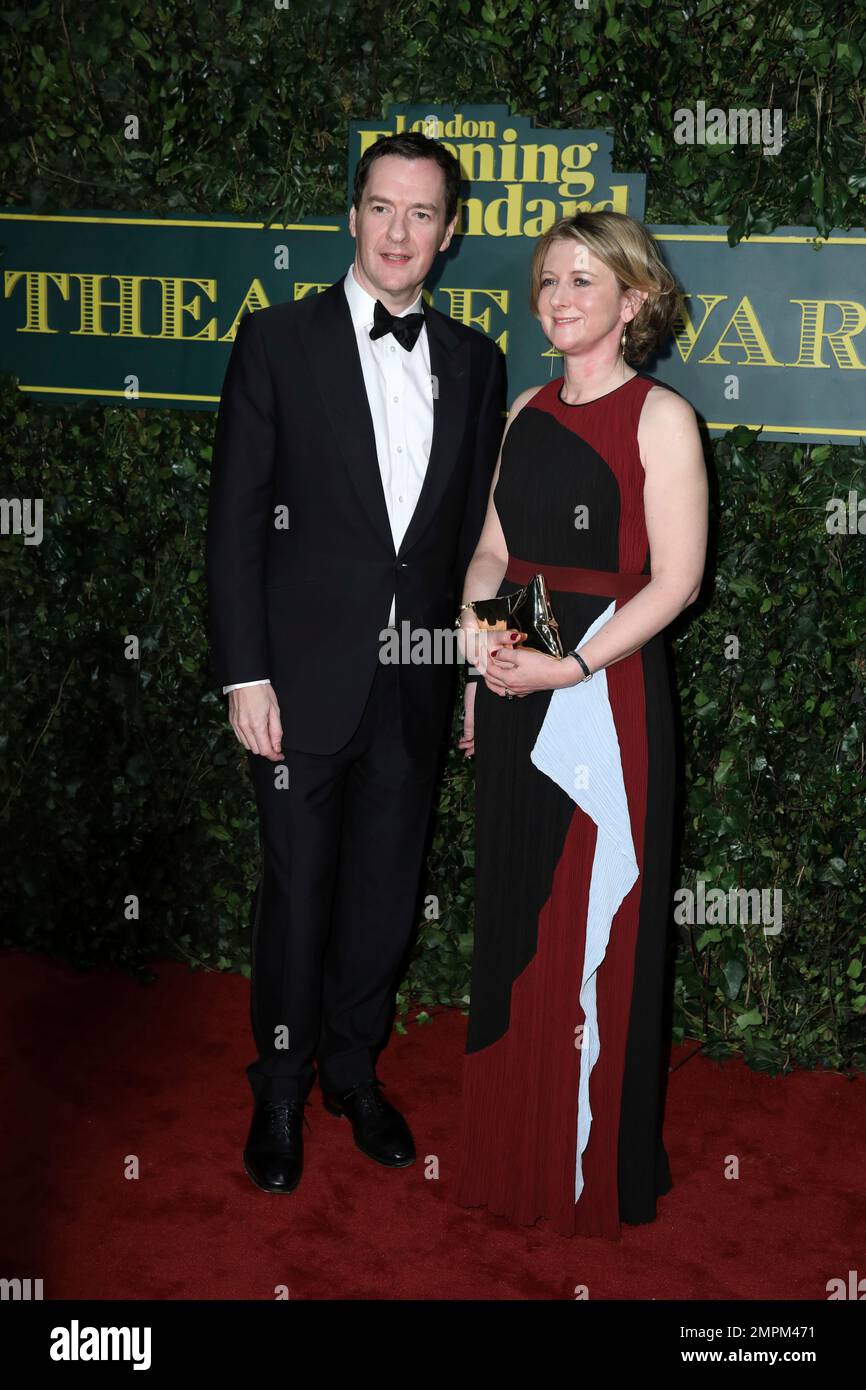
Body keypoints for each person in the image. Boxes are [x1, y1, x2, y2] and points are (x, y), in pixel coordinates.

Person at [205, 131, 506, 1194]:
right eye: (381, 207)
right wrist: (245, 672)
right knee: (297, 893)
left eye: (422, 214)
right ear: (351, 216)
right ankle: (280, 1088)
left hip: (416, 680)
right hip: (296, 682)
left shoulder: (475, 361)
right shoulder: (275, 342)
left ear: (449, 234)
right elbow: (235, 519)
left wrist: (472, 669)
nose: (398, 232)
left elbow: (478, 534)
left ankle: (351, 1071)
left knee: (384, 894)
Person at [453, 211, 708, 1239]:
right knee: (516, 919)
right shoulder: (522, 408)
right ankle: (510, 1154)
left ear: (632, 301)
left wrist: (566, 664)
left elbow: (676, 583)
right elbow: (491, 555)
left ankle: (586, 1172)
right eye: (548, 280)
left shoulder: (660, 418)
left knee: (589, 924)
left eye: (583, 281)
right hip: (522, 681)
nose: (558, 298)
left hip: (605, 698)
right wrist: (482, 647)